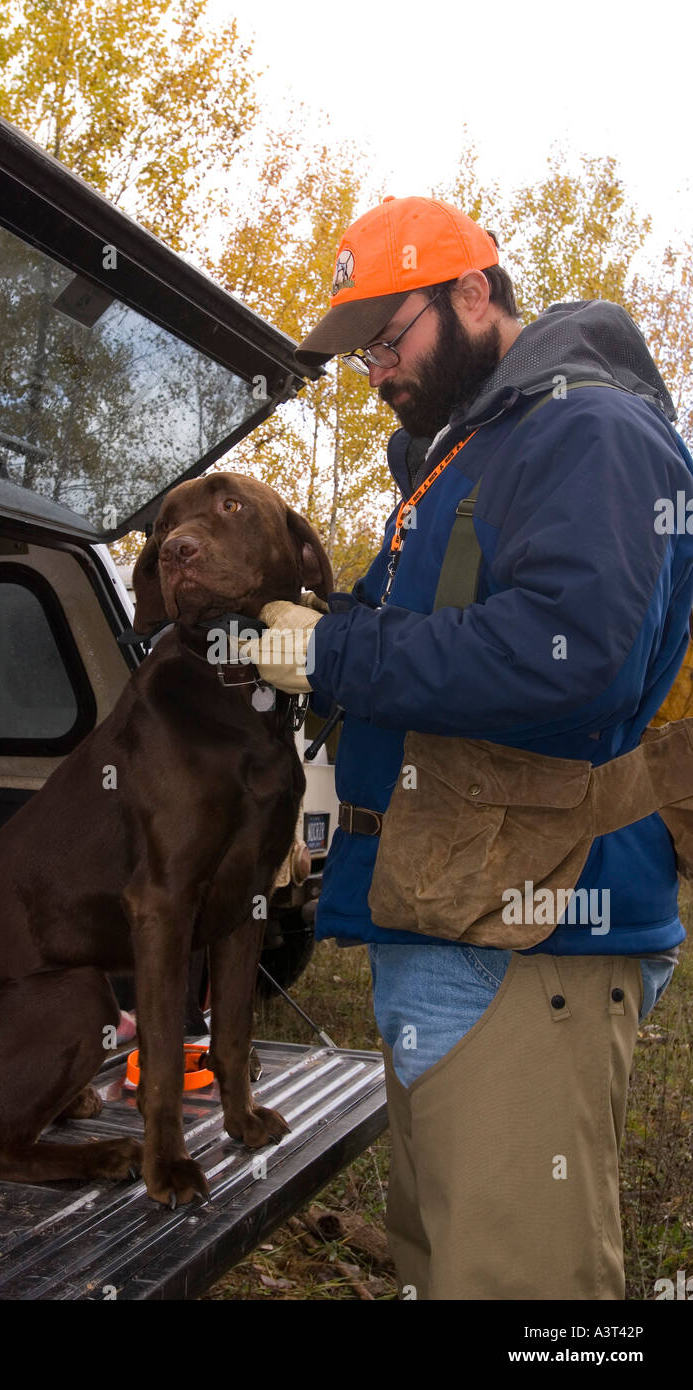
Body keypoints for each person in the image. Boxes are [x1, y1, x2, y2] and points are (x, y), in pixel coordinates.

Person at [252, 196, 693, 1300]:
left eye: (388, 340)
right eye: (361, 357)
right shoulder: (458, 465)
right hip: (449, 916)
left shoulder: (587, 431)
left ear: (471, 294)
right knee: (445, 1254)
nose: (376, 375)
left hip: (537, 930)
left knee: (516, 1283)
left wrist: (337, 656)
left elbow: (571, 653)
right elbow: (420, 640)